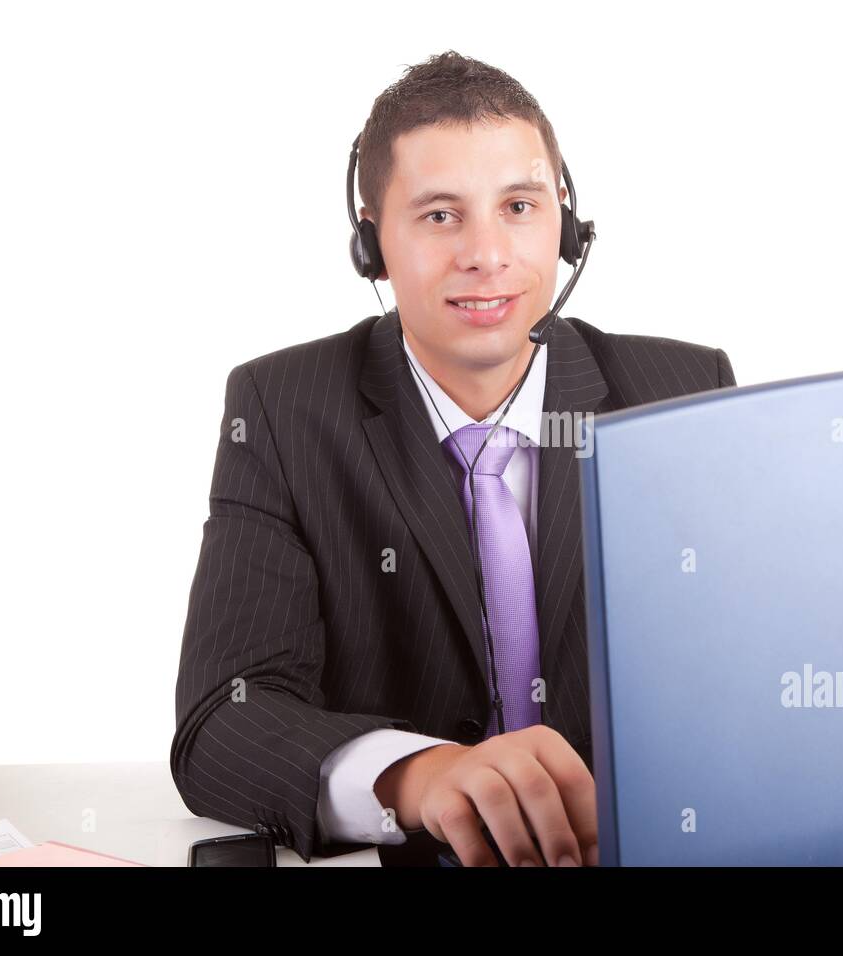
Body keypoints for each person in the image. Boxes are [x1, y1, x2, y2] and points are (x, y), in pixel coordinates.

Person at [171, 50, 736, 866]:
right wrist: (419, 774)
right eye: (440, 215)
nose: (487, 254)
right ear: (371, 245)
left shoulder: (683, 392)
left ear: (567, 224)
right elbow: (223, 721)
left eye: (518, 206)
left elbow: (750, 680)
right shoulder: (282, 409)